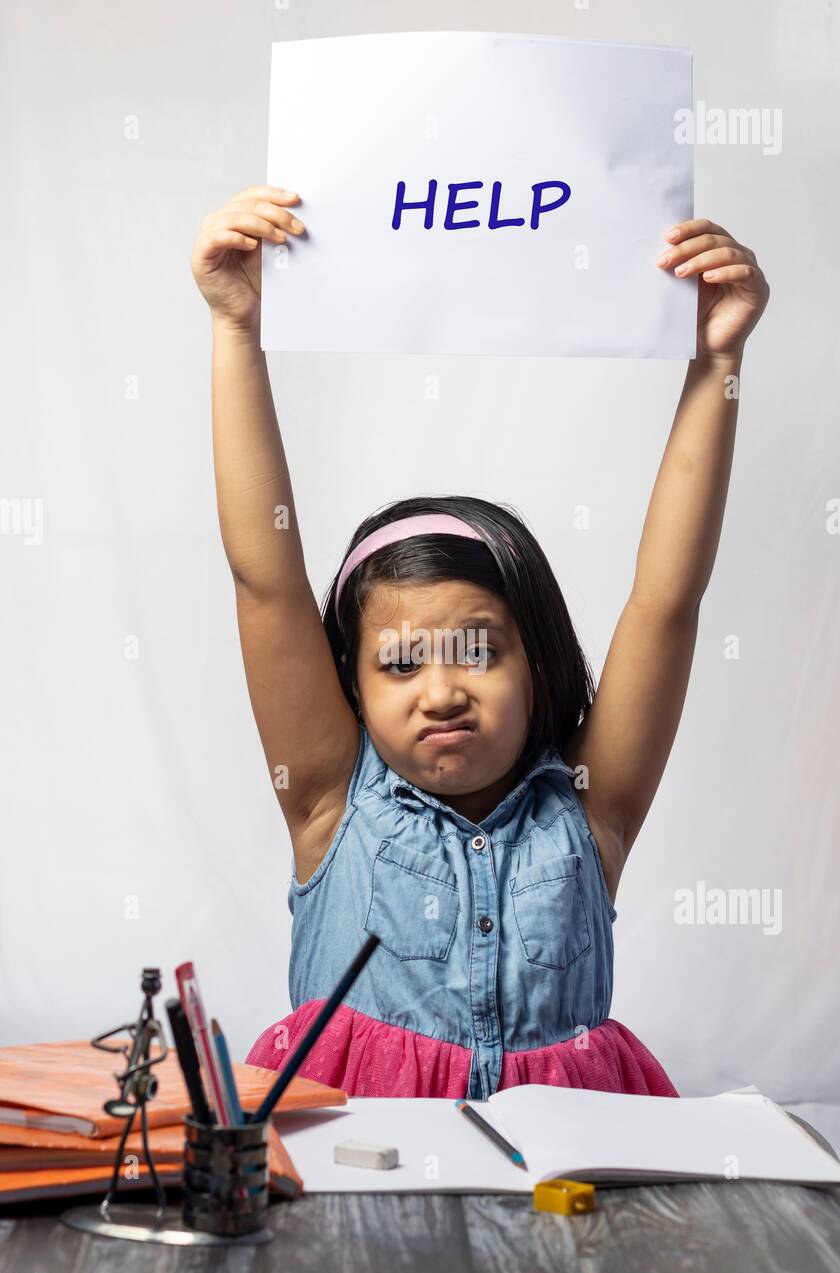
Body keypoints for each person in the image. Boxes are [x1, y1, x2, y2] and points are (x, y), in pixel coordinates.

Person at [189, 184, 770, 1101]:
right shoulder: (331, 806)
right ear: (351, 685)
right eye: (400, 663)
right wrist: (235, 333)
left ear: (536, 666)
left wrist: (717, 359)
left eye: (479, 651)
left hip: (560, 1189)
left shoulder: (591, 809)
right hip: (362, 1190)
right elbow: (265, 578)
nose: (442, 691)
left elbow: (667, 603)